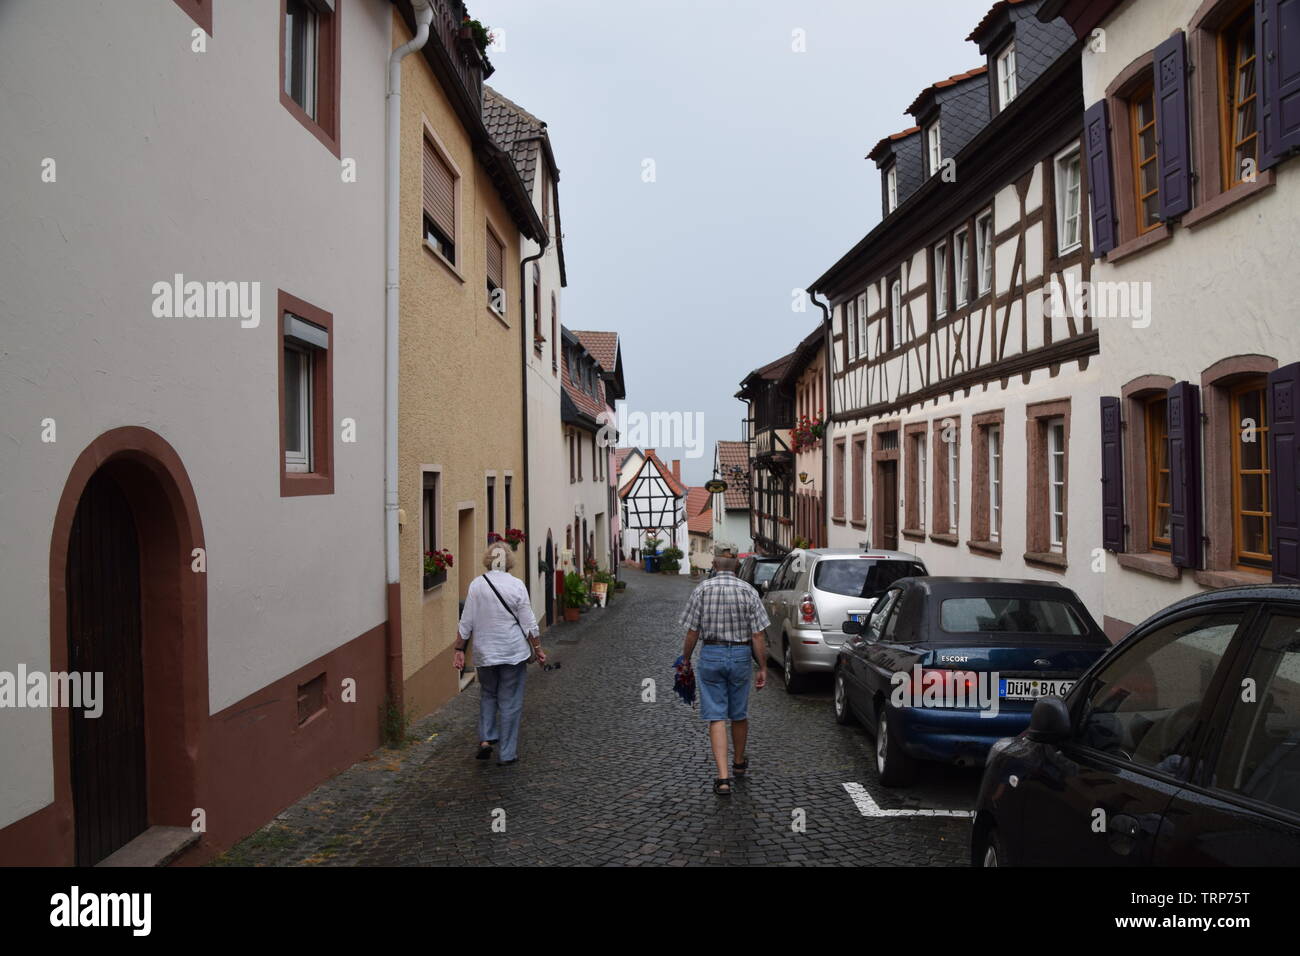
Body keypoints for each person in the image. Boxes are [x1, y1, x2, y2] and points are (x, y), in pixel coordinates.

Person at [679, 544, 769, 795]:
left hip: (711, 654)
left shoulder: (702, 590)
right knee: (738, 713)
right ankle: (739, 763)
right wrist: (762, 666)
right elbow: (758, 635)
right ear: (737, 567)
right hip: (740, 655)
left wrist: (685, 659)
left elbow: (692, 631)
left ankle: (723, 778)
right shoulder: (749, 591)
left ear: (715, 565)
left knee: (716, 715)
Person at [452, 542, 545, 766]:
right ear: (509, 561)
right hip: (512, 652)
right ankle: (507, 753)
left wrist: (458, 650)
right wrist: (539, 649)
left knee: (488, 694)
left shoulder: (477, 585)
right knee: (510, 702)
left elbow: (466, 622)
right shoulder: (516, 585)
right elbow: (529, 623)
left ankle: (486, 738)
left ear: (488, 560)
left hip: (485, 653)